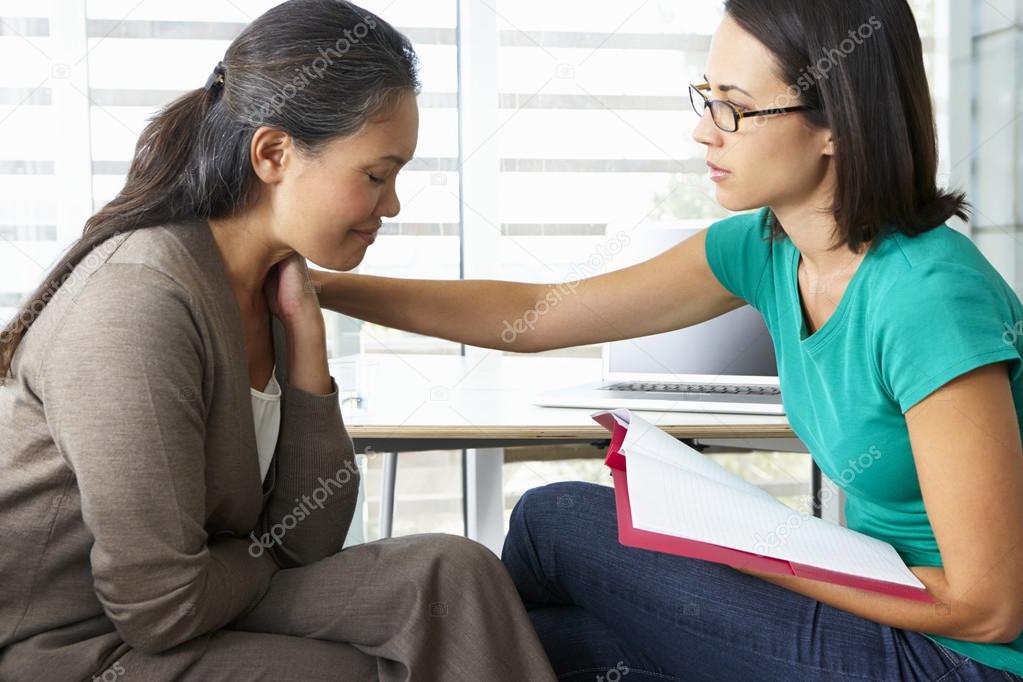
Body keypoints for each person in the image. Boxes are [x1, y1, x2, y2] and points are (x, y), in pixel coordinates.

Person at [307, 0, 1023, 679]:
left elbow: (988, 607)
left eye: (734, 108)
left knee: (553, 517)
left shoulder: (924, 298)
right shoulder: (766, 249)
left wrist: (742, 547)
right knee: (539, 648)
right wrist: (325, 288)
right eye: (705, 96)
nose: (703, 130)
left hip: (960, 661)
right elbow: (535, 316)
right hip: (885, 625)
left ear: (836, 122)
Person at [0, 1, 556, 680]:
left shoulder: (270, 289)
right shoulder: (138, 303)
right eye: (376, 175)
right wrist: (260, 554)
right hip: (81, 647)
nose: (392, 205)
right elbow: (158, 607)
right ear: (273, 153)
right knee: (362, 670)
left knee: (451, 571)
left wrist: (308, 349)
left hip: (201, 600)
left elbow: (311, 537)